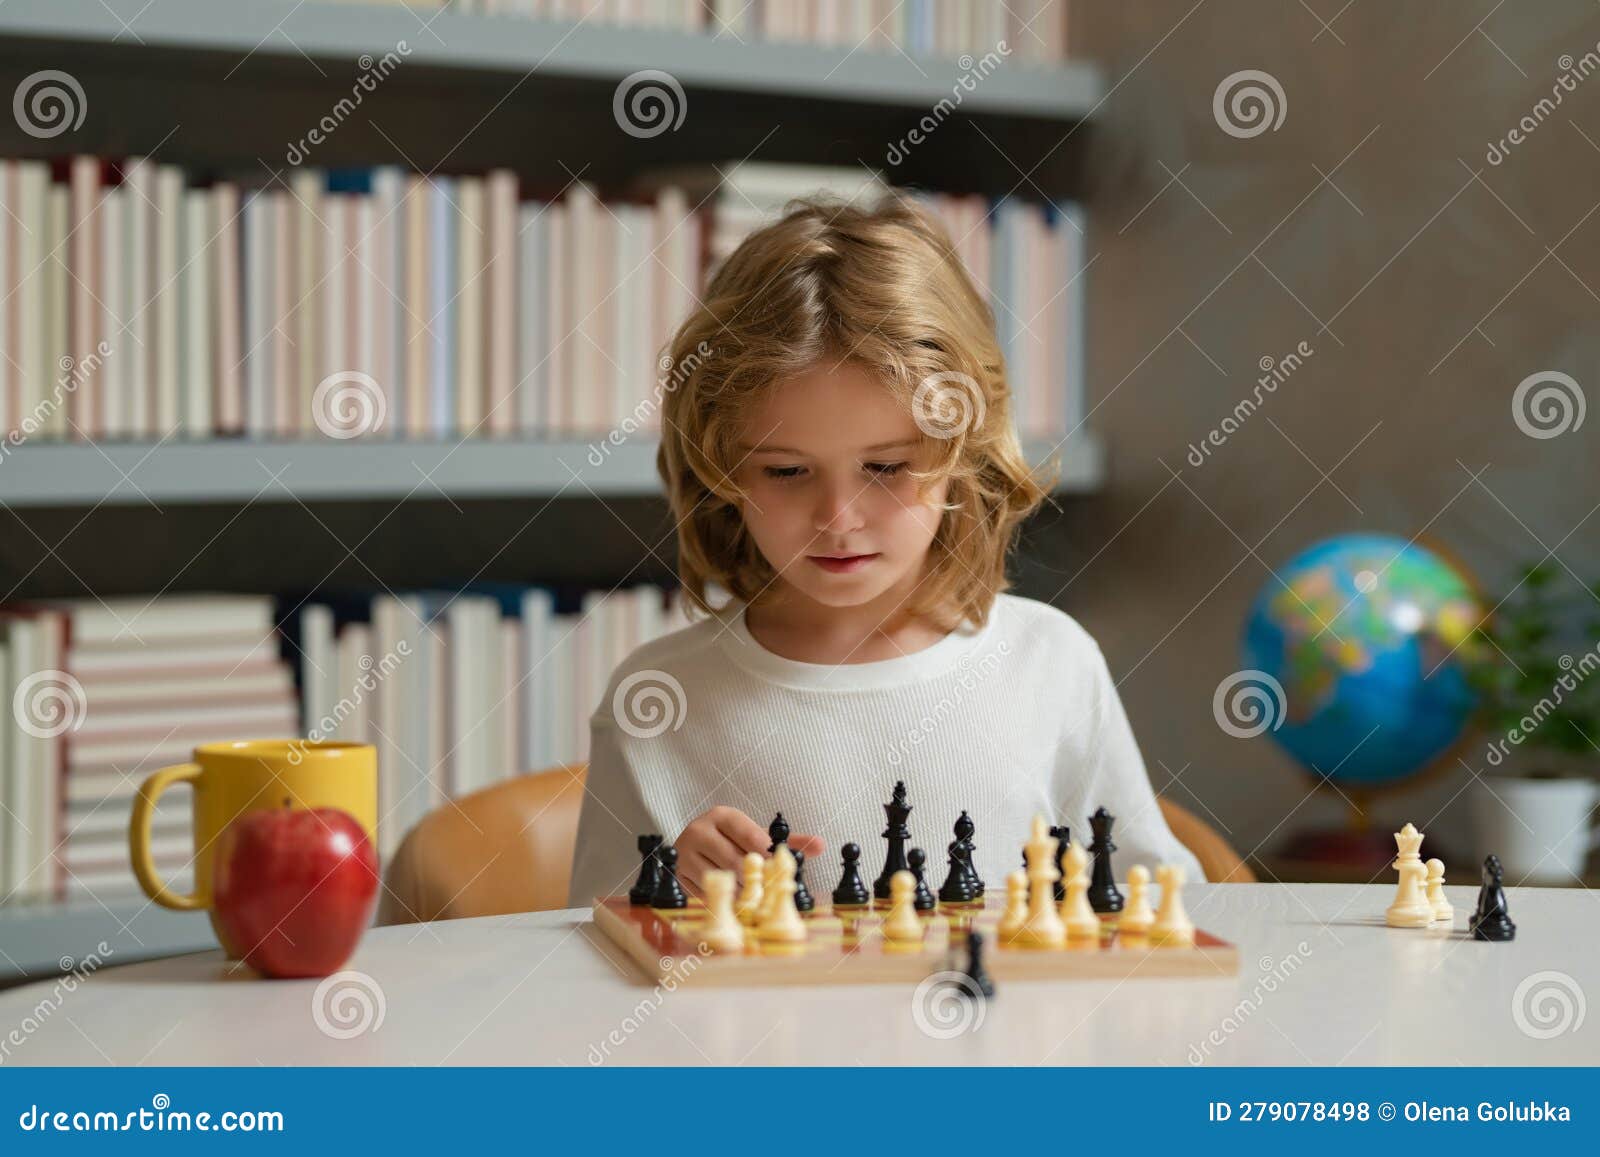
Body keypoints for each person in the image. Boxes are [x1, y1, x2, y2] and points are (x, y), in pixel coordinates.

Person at [567, 194, 1203, 904]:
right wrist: (666, 886)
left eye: (887, 467)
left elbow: (1166, 910)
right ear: (721, 470)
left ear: (965, 451)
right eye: (786, 471)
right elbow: (589, 962)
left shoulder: (1052, 663)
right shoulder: (658, 700)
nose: (838, 519)